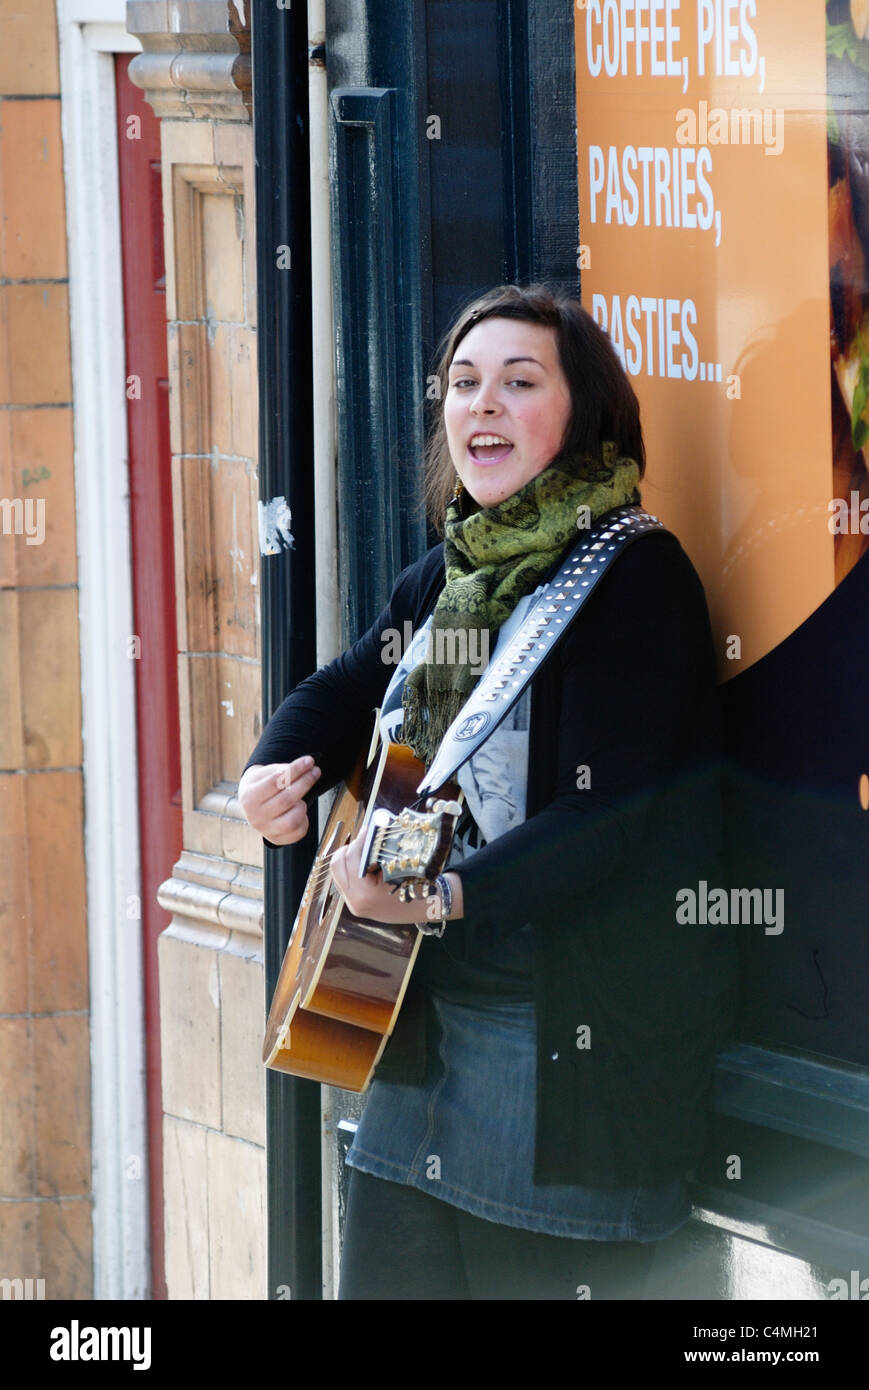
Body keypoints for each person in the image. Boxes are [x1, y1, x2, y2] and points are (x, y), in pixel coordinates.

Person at [239, 283, 737, 1301]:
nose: (481, 406)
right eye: (463, 385)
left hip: (555, 1060)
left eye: (519, 383)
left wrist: (436, 897)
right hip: (416, 1031)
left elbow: (607, 817)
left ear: (584, 413)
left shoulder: (635, 581)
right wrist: (272, 768)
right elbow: (348, 685)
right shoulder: (462, 568)